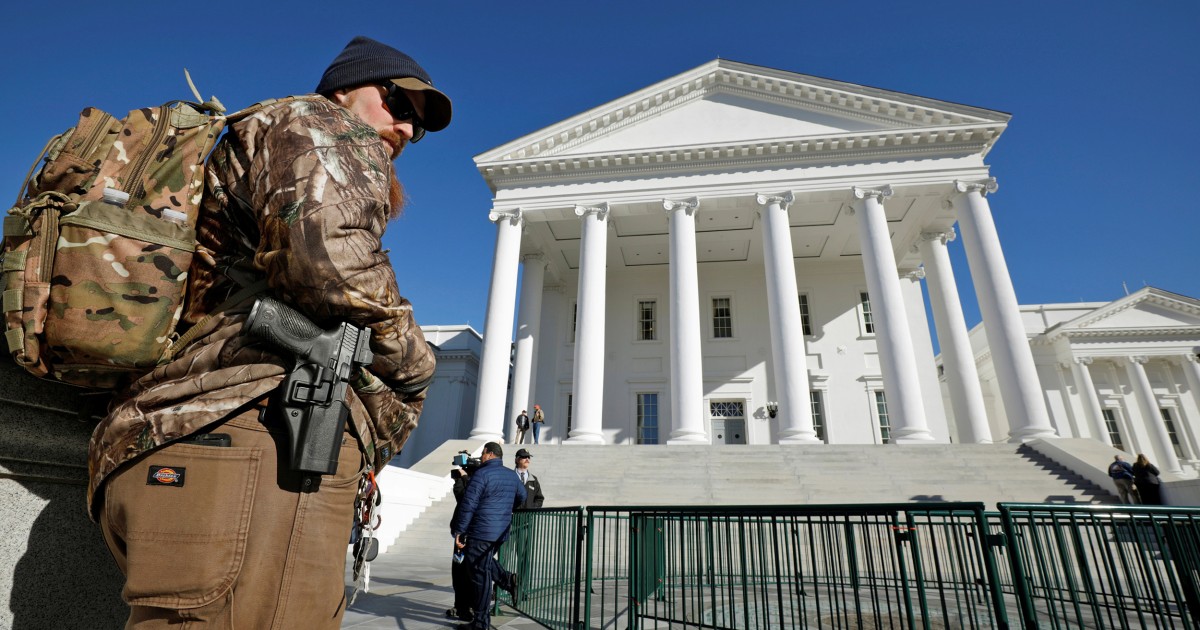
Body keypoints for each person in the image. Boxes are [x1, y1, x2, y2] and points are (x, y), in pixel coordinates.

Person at [88, 36, 452, 628]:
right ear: (343, 90)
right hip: (253, 441)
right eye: (396, 102)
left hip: (192, 441)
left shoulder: (266, 138)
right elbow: (330, 262)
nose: (408, 129)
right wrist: (417, 364)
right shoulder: (319, 123)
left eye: (419, 124)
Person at [450, 442, 526, 630]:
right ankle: (508, 581)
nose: (481, 457)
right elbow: (522, 496)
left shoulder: (481, 475)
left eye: (483, 453)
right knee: (482, 565)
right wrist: (505, 508)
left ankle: (481, 623)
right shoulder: (511, 475)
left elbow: (468, 505)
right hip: (500, 532)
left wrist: (459, 531)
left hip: (481, 531)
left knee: (480, 576)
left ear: (490, 454)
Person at [446, 453, 478, 623]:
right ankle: (460, 606)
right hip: (461, 532)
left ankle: (469, 607)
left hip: (470, 532)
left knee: (468, 572)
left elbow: (466, 499)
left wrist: (464, 479)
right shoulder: (468, 481)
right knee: (458, 572)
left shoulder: (476, 483)